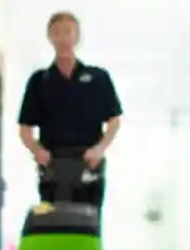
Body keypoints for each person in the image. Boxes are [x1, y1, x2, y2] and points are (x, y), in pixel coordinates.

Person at [17, 11, 122, 208]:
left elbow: (114, 120)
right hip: (52, 163)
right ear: (50, 37)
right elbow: (25, 128)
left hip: (89, 161)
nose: (63, 38)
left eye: (68, 32)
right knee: (53, 221)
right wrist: (37, 150)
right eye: (57, 32)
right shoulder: (39, 81)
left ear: (77, 36)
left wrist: (100, 149)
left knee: (88, 222)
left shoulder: (98, 78)